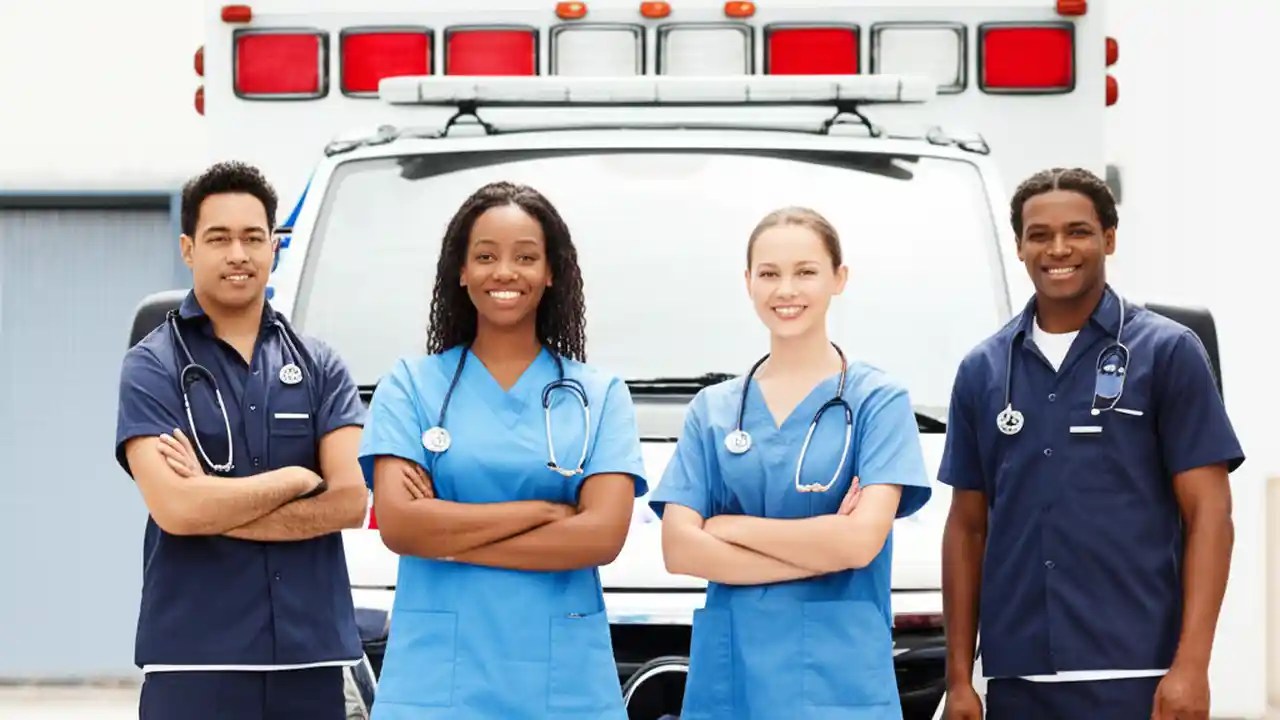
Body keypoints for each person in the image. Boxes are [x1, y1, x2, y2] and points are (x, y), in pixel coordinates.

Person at [938, 167, 1243, 720]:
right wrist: (960, 678)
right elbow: (967, 526)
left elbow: (1210, 513)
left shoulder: (1167, 352)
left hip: (1137, 677)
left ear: (1108, 238)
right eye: (1040, 235)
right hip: (1017, 679)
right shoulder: (984, 369)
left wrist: (1192, 666)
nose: (1059, 248)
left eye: (1077, 231)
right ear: (1020, 246)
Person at [358, 181, 648, 720]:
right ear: (461, 271)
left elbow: (602, 537)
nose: (505, 273)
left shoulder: (599, 395)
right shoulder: (411, 385)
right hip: (437, 686)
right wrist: (540, 512)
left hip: (563, 688)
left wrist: (443, 535)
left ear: (551, 271)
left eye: (525, 257)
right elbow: (400, 527)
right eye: (485, 256)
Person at [647, 207, 933, 719]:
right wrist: (825, 545)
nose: (786, 290)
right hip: (733, 677)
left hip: (837, 679)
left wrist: (730, 526)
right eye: (770, 273)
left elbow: (860, 542)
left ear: (838, 278)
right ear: (748, 282)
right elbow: (678, 550)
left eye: (805, 271)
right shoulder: (713, 409)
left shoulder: (878, 401)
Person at [114, 161, 369, 720]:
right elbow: (176, 509)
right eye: (219, 238)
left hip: (313, 660)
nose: (238, 253)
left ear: (274, 247)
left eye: (253, 238)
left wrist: (213, 501)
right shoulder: (153, 366)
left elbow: (350, 501)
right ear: (187, 248)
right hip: (196, 660)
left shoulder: (320, 365)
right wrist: (294, 480)